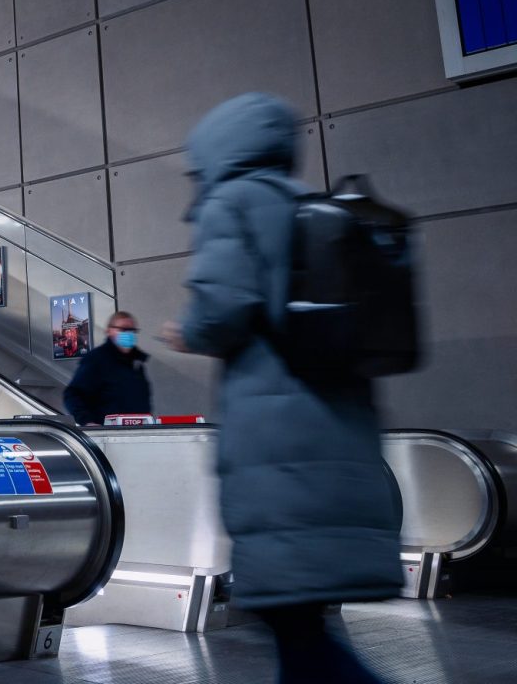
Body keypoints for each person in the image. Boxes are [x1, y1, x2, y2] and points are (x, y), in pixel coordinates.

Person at [163, 93, 399, 684]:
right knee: (301, 628)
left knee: (292, 626)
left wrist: (186, 332)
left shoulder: (232, 202)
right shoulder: (309, 205)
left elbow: (223, 306)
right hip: (335, 432)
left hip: (278, 445)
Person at [62, 310, 151, 425]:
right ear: (109, 331)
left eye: (132, 331)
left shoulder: (136, 363)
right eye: (123, 329)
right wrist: (87, 422)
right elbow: (72, 394)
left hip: (137, 433)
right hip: (108, 434)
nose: (129, 334)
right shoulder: (96, 360)